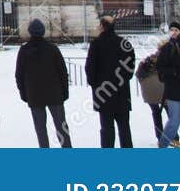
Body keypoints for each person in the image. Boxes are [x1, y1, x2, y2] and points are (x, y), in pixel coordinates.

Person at [14, 18, 71, 147]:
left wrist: (24, 94)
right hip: (55, 94)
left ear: (30, 32)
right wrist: (64, 92)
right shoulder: (52, 48)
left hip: (34, 95)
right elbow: (62, 72)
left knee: (40, 129)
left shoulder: (24, 50)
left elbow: (19, 75)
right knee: (61, 126)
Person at [84, 14, 136, 147]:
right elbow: (130, 67)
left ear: (102, 26)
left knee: (107, 128)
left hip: (103, 93)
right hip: (122, 92)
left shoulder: (96, 44)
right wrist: (123, 80)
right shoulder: (124, 43)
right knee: (124, 127)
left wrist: (94, 84)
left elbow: (90, 67)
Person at [136, 54, 167, 143]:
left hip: (152, 94)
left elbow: (138, 75)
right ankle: (172, 136)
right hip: (162, 93)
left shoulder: (144, 65)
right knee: (170, 113)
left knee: (157, 113)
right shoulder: (162, 62)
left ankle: (160, 136)